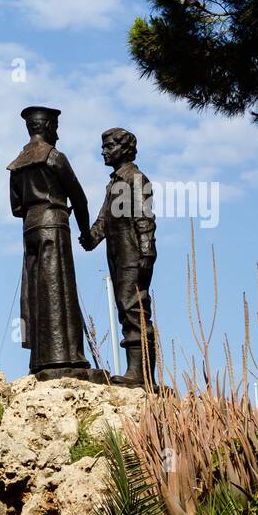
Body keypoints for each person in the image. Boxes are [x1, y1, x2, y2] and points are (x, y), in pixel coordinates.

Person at [8, 106, 94, 380]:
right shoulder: (55, 158)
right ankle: (65, 357)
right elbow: (79, 198)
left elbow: (15, 206)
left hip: (29, 227)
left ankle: (40, 358)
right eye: (54, 126)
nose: (57, 133)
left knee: (36, 289)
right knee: (59, 289)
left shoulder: (17, 163)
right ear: (45, 126)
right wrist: (86, 233)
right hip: (54, 223)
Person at [80, 127, 156, 386]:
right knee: (125, 307)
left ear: (124, 149)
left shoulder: (135, 179)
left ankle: (142, 373)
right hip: (117, 251)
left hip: (133, 250)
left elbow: (145, 218)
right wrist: (90, 238)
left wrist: (147, 250)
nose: (103, 151)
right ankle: (135, 369)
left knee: (134, 305)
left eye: (109, 146)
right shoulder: (114, 183)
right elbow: (104, 219)